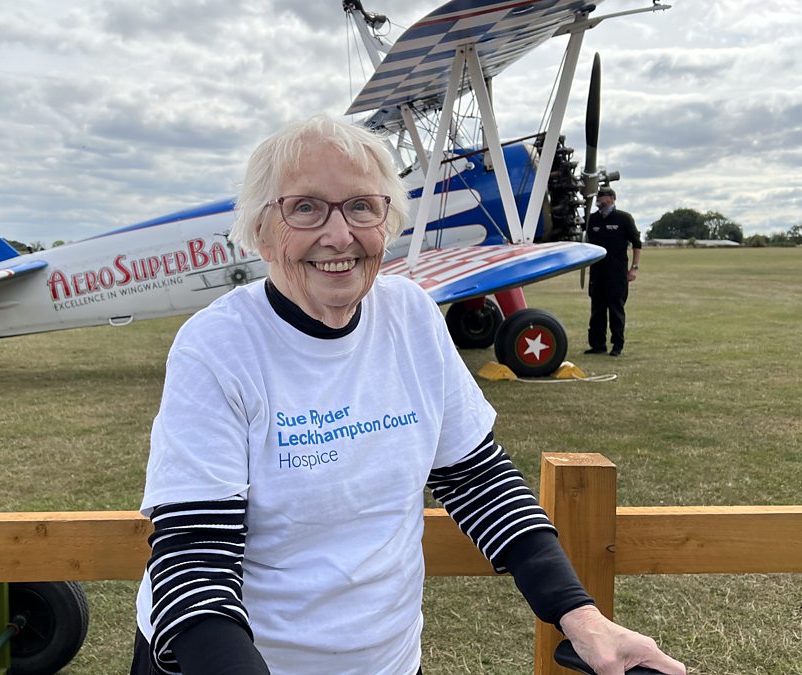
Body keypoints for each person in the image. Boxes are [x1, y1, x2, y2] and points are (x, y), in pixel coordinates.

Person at [131, 115, 684, 675]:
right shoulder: (216, 346)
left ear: (388, 221)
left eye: (361, 207)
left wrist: (580, 614)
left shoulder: (411, 314)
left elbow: (477, 479)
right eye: (305, 208)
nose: (339, 235)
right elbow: (194, 565)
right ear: (260, 230)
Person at [584, 186, 642, 357]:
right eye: (598, 196)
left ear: (611, 198)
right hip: (597, 272)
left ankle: (617, 344)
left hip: (616, 272)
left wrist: (634, 268)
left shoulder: (624, 218)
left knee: (616, 309)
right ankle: (597, 344)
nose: (599, 200)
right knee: (597, 310)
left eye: (602, 197)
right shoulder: (593, 219)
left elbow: (637, 244)